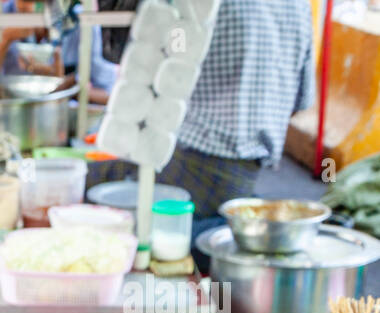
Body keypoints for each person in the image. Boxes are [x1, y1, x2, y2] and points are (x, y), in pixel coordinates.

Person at [86, 0, 313, 225]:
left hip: (190, 156)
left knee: (91, 191)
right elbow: (301, 101)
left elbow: (171, 59)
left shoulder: (198, 5)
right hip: (248, 168)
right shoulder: (300, 7)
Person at [0, 1, 118, 104]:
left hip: (58, 119)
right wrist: (4, 40)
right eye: (25, 2)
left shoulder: (80, 21)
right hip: (7, 112)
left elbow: (109, 94)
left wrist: (63, 85)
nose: (31, 8)